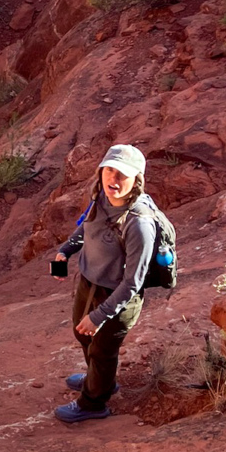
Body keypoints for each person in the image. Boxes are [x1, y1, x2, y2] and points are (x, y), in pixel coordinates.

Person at [50, 144, 156, 425]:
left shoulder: (139, 224)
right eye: (109, 170)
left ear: (137, 179)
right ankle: (100, 379)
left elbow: (133, 282)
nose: (114, 179)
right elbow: (86, 226)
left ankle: (93, 403)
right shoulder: (101, 197)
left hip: (117, 297)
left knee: (102, 351)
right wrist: (65, 251)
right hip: (89, 284)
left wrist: (99, 316)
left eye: (122, 175)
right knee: (83, 336)